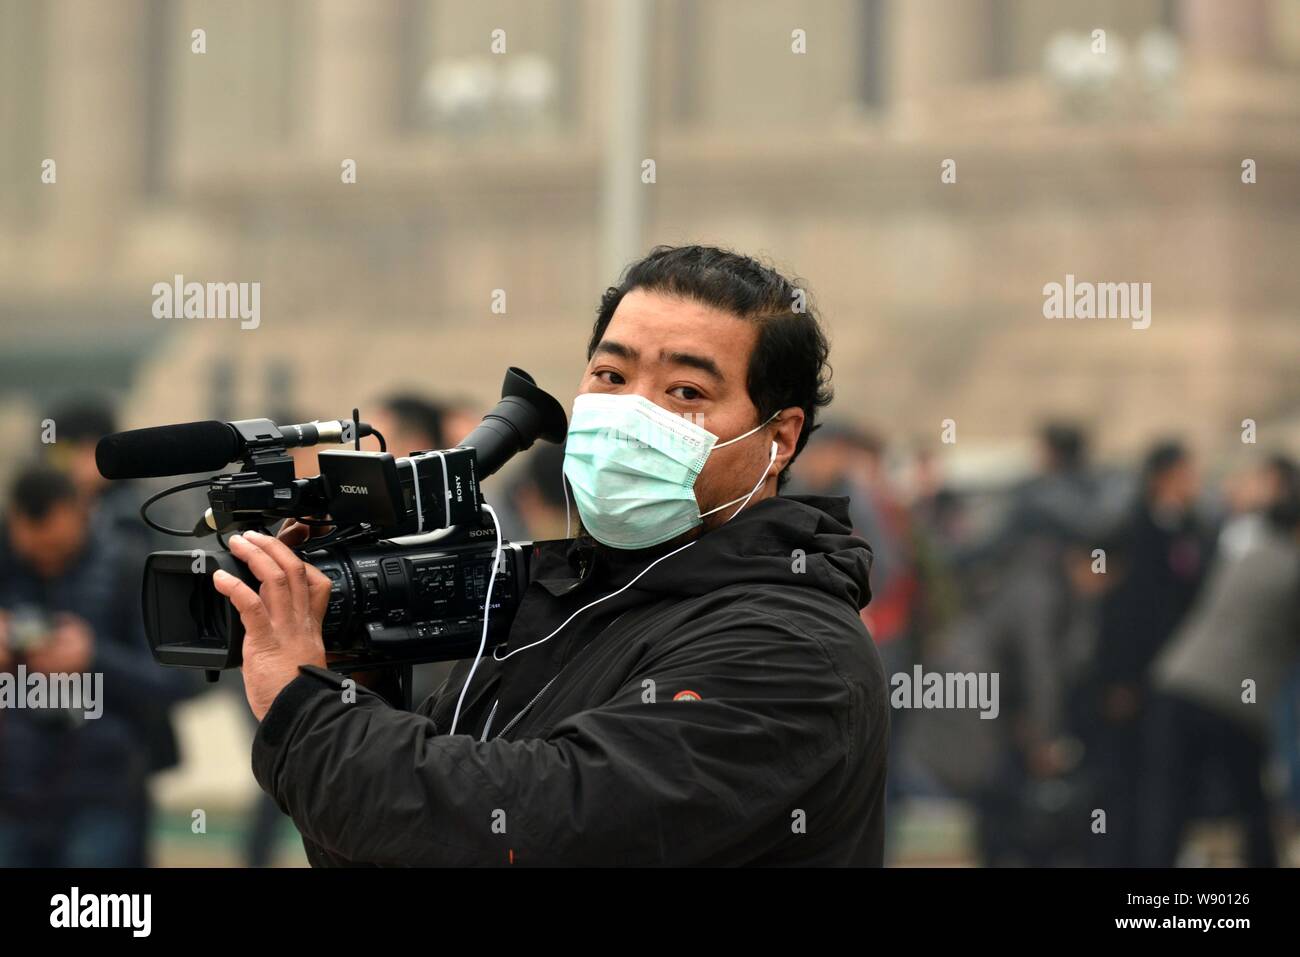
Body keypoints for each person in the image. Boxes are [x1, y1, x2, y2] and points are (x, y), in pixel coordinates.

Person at [213, 244, 889, 865]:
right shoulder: (558, 601)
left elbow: (539, 824)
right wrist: (350, 675)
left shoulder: (793, 649)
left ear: (780, 438)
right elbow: (401, 846)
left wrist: (307, 711)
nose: (631, 410)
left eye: (686, 391)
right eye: (611, 373)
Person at [0, 465, 197, 866]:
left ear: (81, 513)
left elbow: (178, 680)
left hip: (104, 792)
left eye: (55, 549)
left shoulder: (130, 570)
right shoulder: (7, 569)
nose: (46, 561)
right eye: (35, 550)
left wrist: (93, 658)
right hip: (13, 792)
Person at [1138, 455, 1300, 866]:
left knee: (1169, 803)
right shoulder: (1291, 570)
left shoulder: (1247, 557)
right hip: (1231, 700)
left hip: (1177, 681)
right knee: (1252, 804)